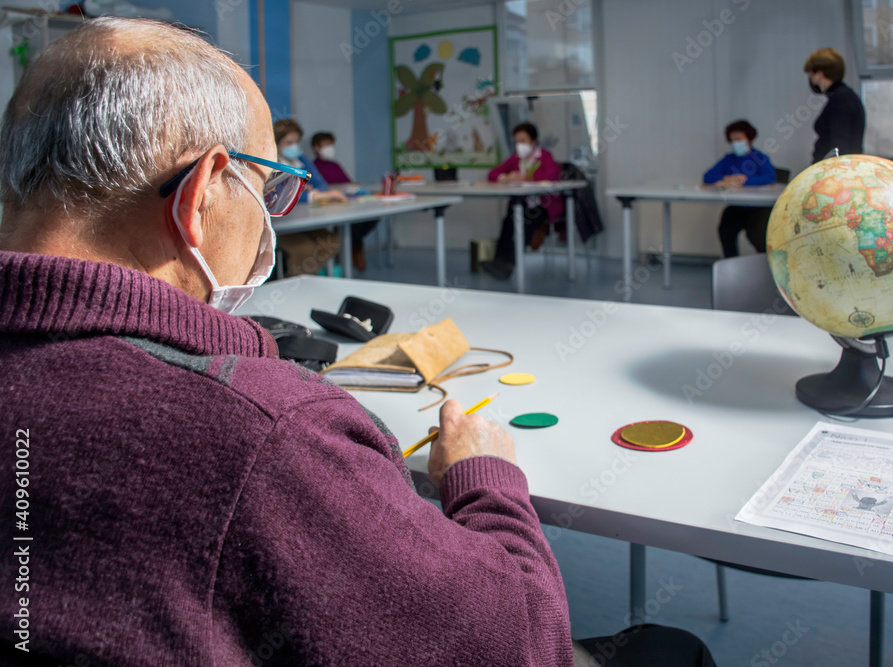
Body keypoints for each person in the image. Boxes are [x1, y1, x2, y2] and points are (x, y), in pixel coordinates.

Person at [0, 18, 716, 667]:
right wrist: (485, 480)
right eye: (269, 190)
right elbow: (520, 645)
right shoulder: (266, 435)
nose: (269, 222)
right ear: (203, 195)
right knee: (671, 651)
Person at [481, 122, 564, 280]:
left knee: (527, 222)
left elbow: (552, 177)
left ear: (533, 141)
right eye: (517, 141)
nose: (520, 145)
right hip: (521, 204)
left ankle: (509, 265)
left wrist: (528, 178)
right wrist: (506, 177)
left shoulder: (545, 156)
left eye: (523, 140)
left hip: (543, 204)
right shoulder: (515, 159)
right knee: (508, 222)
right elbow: (492, 174)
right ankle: (498, 262)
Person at [272, 119, 345, 276]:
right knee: (303, 248)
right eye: (288, 142)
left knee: (331, 241)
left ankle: (306, 278)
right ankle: (296, 285)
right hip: (281, 224)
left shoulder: (302, 160)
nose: (294, 146)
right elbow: (277, 198)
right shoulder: (272, 165)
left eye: (297, 141)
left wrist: (303, 192)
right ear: (276, 143)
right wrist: (307, 193)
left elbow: (321, 185)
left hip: (304, 221)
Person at [703, 120, 777, 257]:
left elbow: (770, 177)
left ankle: (768, 265)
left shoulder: (759, 157)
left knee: (757, 235)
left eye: (739, 139)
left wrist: (745, 180)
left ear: (748, 138)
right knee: (726, 228)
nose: (736, 143)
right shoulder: (729, 159)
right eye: (733, 140)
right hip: (738, 207)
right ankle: (731, 263)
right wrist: (725, 179)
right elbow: (707, 177)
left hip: (758, 209)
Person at [311, 130, 378, 272]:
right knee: (353, 225)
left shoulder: (335, 165)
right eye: (326, 145)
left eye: (331, 144)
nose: (330, 148)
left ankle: (353, 247)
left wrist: (354, 186)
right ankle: (356, 251)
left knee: (372, 216)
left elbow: (348, 183)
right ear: (316, 147)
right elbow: (318, 188)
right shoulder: (313, 166)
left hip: (346, 201)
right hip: (329, 206)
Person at [803, 48, 865, 163]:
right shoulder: (845, 96)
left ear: (819, 74)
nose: (811, 79)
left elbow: (839, 146)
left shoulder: (841, 99)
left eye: (811, 74)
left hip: (835, 172)